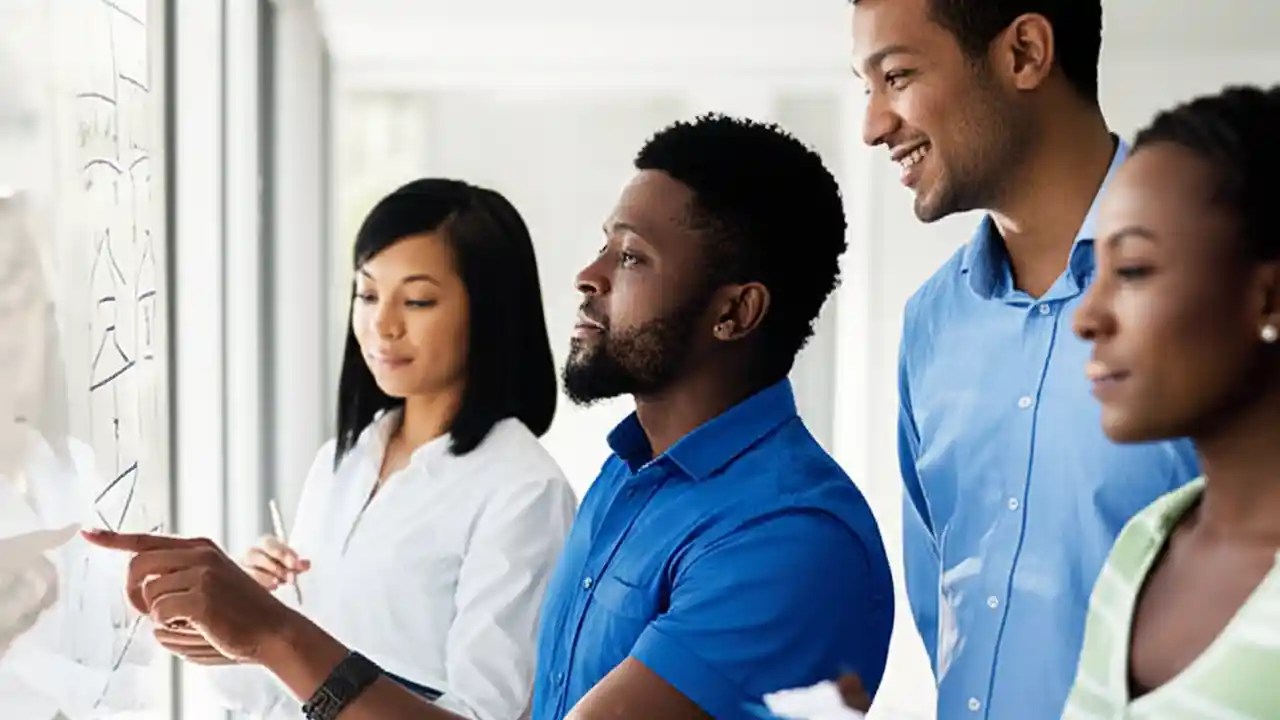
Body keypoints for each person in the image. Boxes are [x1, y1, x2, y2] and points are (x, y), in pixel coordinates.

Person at [85, 113, 895, 720]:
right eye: (604, 245)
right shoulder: (627, 479)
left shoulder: (785, 539)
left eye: (632, 258)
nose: (587, 275)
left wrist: (273, 633)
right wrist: (252, 628)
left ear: (735, 312)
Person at [847, 1, 1199, 718]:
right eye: (866, 88)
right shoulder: (931, 327)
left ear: (1025, 53)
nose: (874, 125)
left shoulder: (1225, 286)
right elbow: (941, 612)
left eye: (899, 75)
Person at [163, 179, 577, 720]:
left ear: (490, 312)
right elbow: (278, 694)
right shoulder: (344, 460)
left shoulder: (523, 491)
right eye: (367, 294)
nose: (383, 325)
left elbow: (484, 714)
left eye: (418, 300)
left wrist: (275, 632)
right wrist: (242, 621)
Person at [1063, 85, 1280, 719]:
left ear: (1269, 298)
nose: (1086, 317)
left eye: (1131, 270)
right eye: (1093, 274)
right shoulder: (1140, 547)